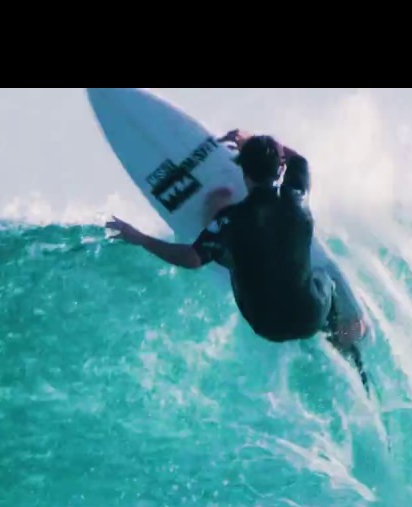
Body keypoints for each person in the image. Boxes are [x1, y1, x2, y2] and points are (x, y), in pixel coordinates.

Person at [106, 130, 370, 389]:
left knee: (224, 235)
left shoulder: (230, 219)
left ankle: (217, 233)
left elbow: (190, 259)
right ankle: (344, 334)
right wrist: (251, 142)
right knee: (326, 275)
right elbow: (298, 160)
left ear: (243, 172)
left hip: (265, 323)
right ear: (280, 170)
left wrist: (140, 238)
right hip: (309, 315)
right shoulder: (296, 195)